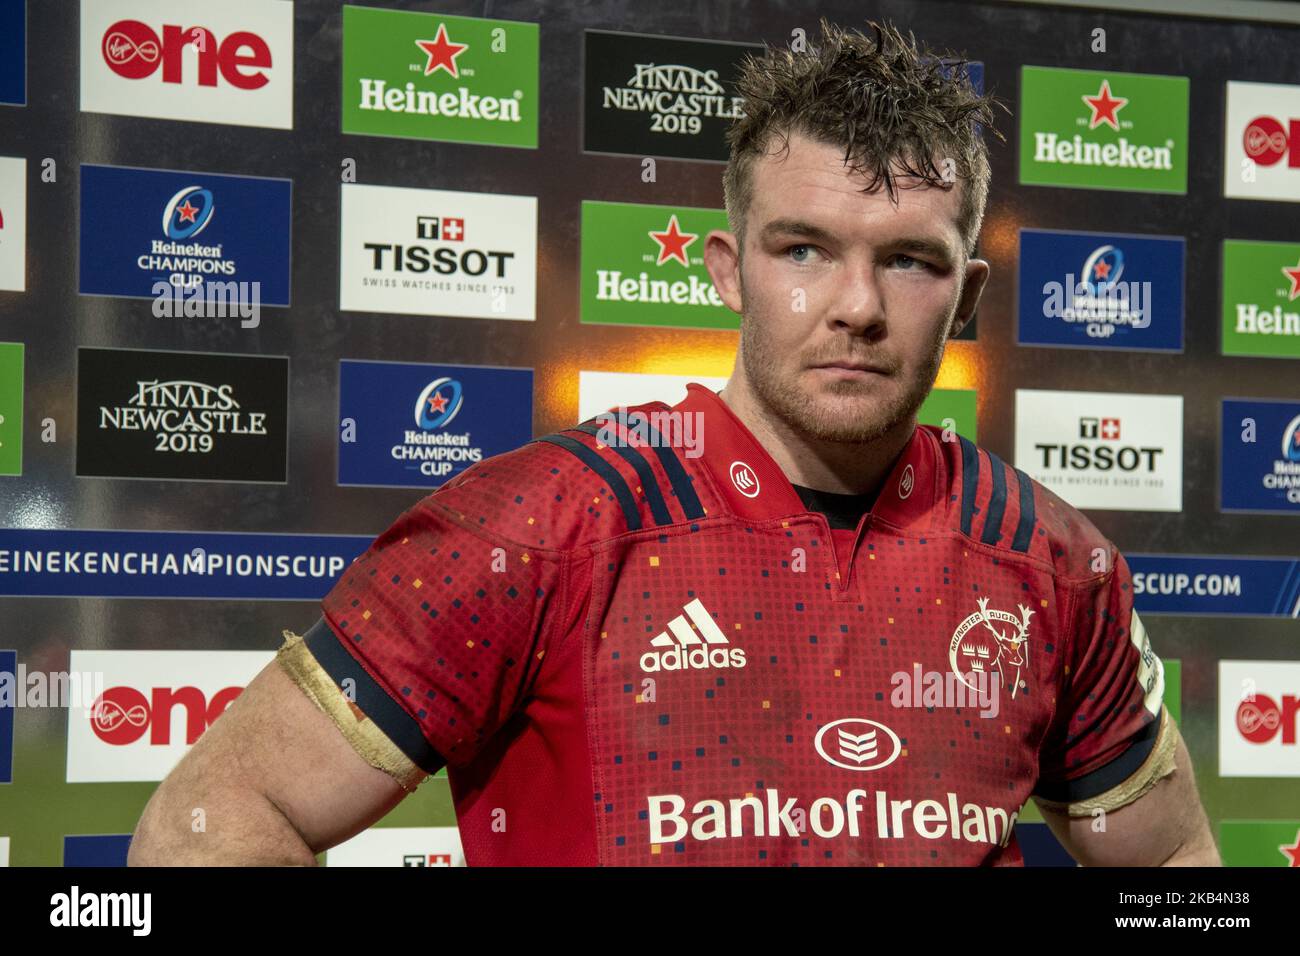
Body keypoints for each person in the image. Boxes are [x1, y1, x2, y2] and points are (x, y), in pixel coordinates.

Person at [128, 18, 1218, 866]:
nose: (854, 305)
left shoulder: (1049, 561)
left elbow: (1169, 850)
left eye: (910, 261)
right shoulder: (534, 527)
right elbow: (217, 818)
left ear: (967, 292)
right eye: (802, 248)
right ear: (723, 267)